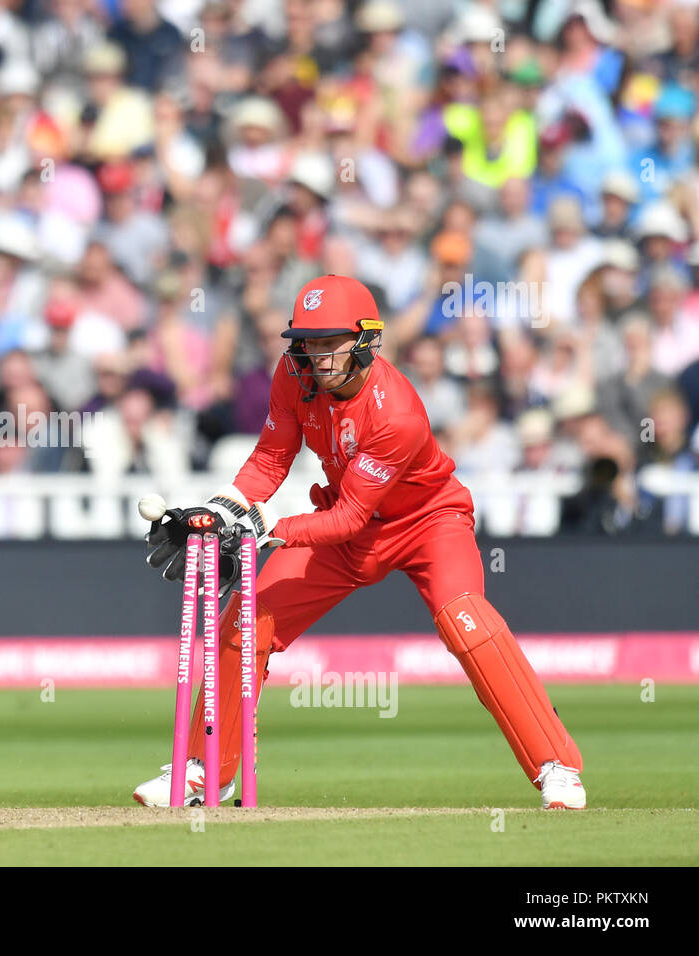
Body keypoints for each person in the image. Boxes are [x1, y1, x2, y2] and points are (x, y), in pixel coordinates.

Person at [138, 275, 585, 810]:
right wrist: (219, 510)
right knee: (245, 616)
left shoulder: (395, 412)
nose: (318, 356)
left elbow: (351, 516)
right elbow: (271, 458)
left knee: (466, 620)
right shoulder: (293, 372)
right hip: (344, 526)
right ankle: (206, 772)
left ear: (367, 339)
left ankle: (556, 767)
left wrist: (261, 529)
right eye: (308, 342)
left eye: (332, 342)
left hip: (427, 524)